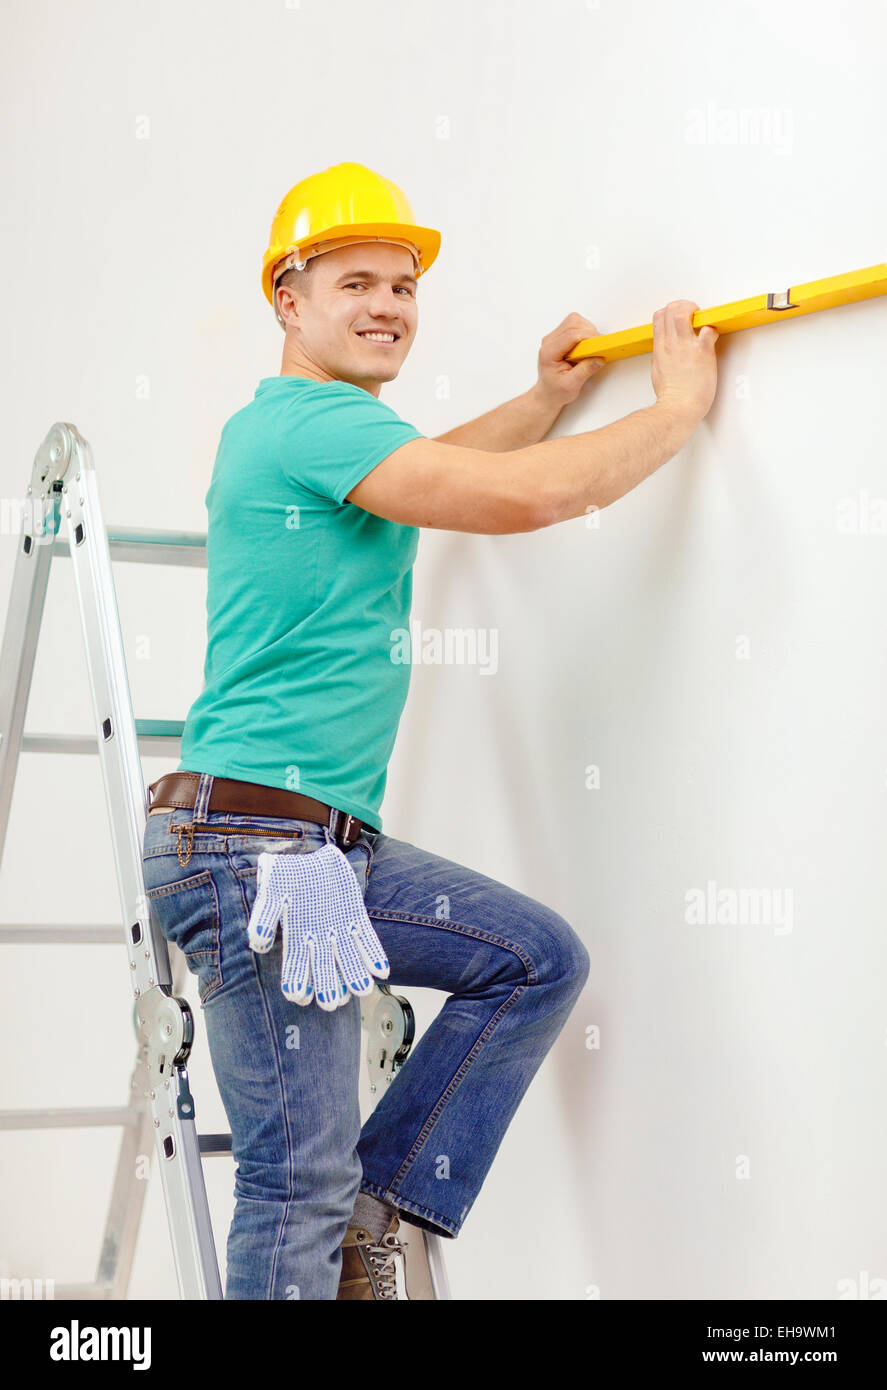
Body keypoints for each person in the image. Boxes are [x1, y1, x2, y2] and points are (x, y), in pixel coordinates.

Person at [141, 161, 719, 1301]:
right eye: (356, 280)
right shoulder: (302, 424)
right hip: (254, 848)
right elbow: (517, 501)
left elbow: (452, 464)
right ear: (286, 299)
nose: (388, 305)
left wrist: (546, 400)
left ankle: (378, 1209)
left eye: (403, 286)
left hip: (317, 847)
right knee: (289, 1181)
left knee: (532, 959)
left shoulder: (336, 440)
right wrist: (673, 413)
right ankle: (339, 1217)